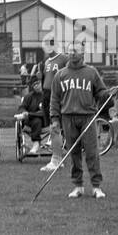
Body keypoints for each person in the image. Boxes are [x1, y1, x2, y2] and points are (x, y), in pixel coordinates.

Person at [50, 46, 109, 198]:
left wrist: (106, 95)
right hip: (68, 117)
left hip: (87, 116)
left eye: (76, 50)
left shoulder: (91, 72)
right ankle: (78, 186)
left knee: (91, 152)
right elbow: (55, 99)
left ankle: (96, 186)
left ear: (83, 53)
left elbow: (101, 91)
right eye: (70, 51)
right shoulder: (60, 75)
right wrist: (55, 119)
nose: (73, 53)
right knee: (73, 153)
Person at [38, 43, 68, 172]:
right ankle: (57, 154)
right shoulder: (46, 62)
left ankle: (57, 157)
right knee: (51, 124)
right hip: (46, 93)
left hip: (57, 93)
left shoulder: (63, 58)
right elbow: (45, 78)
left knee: (56, 124)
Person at [15, 77, 46, 154]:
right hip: (31, 122)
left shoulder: (47, 96)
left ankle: (36, 144)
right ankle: (36, 143)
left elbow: (47, 111)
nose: (36, 86)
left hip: (45, 121)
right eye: (34, 84)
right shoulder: (28, 97)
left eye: (38, 83)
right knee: (36, 121)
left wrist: (29, 114)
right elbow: (22, 108)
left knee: (38, 119)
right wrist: (24, 112)